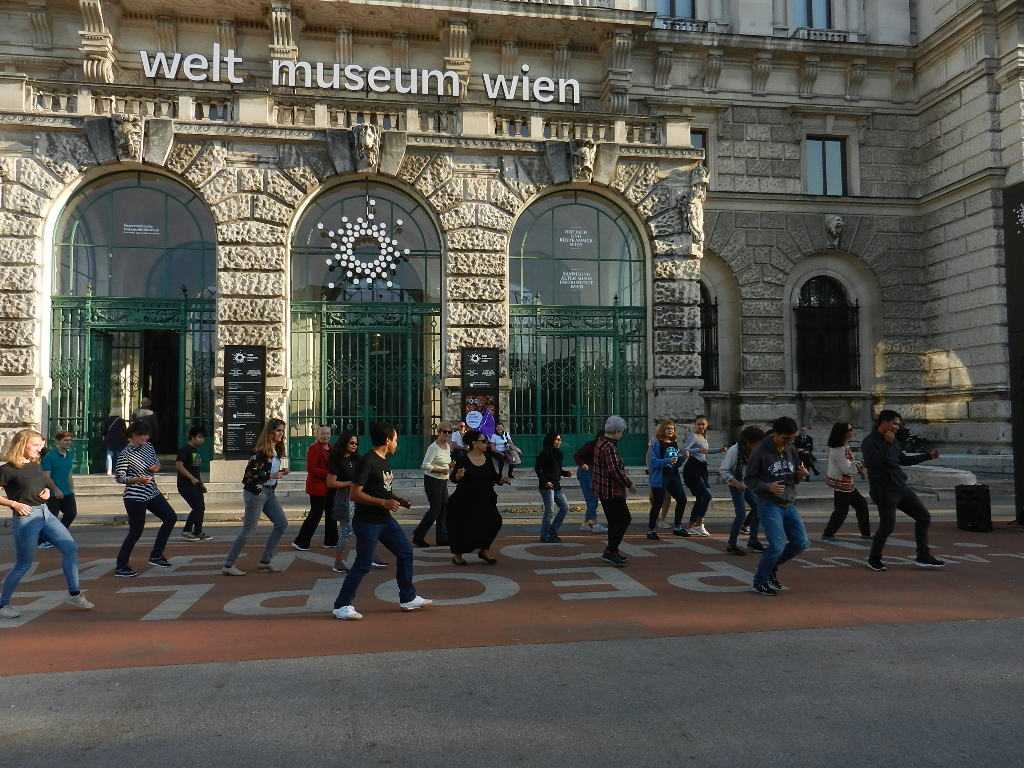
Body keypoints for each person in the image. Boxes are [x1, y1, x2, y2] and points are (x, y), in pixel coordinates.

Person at [332, 422, 433, 620]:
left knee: (405, 552)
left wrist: (398, 499)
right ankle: (341, 605)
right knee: (363, 564)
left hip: (384, 520)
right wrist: (383, 502)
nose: (397, 443)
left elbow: (381, 488)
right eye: (396, 439)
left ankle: (408, 597)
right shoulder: (367, 461)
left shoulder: (384, 461)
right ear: (388, 441)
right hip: (367, 522)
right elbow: (355, 494)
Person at [0, 430, 94, 619]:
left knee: (70, 548)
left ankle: (74, 593)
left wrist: (48, 492)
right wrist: (14, 504)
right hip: (26, 518)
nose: (40, 449)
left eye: (41, 445)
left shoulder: (35, 464)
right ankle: (3, 604)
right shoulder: (7, 469)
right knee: (24, 564)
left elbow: (41, 483)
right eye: (36, 445)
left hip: (45, 513)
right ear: (22, 444)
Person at [861, 410, 944, 571]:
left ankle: (923, 555)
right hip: (884, 490)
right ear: (884, 422)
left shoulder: (893, 441)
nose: (897, 427)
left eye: (898, 424)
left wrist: (927, 456)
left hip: (900, 487)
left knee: (923, 517)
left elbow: (903, 459)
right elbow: (875, 463)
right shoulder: (870, 442)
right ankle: (874, 559)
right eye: (895, 423)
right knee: (887, 526)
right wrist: (887, 443)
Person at [745, 416, 810, 596]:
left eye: (791, 438)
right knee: (776, 545)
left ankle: (772, 567)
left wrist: (800, 474)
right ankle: (760, 580)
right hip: (768, 503)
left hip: (788, 502)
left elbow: (794, 476)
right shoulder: (760, 452)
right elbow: (749, 480)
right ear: (775, 434)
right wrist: (768, 487)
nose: (788, 442)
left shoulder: (791, 450)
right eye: (785, 438)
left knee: (801, 542)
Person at [223, 419, 290, 576]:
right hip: (256, 493)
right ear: (270, 432)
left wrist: (280, 472)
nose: (281, 434)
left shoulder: (277, 449)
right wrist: (272, 475)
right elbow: (249, 475)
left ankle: (265, 561)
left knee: (281, 523)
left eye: (282, 431)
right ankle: (228, 564)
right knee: (249, 530)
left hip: (269, 493)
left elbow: (270, 472)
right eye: (279, 430)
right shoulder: (259, 452)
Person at [114, 423, 178, 578]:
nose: (146, 437)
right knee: (136, 531)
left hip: (151, 491)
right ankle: (121, 565)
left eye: (147, 434)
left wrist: (156, 467)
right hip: (135, 496)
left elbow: (156, 462)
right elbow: (120, 477)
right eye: (142, 434)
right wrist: (137, 479)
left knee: (170, 517)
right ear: (134, 435)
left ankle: (156, 555)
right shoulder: (125, 453)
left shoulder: (148, 446)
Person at [447, 428, 507, 565]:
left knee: (495, 521)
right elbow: (453, 478)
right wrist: (458, 476)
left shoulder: (488, 459)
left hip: (485, 498)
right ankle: (458, 555)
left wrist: (501, 480)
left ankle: (484, 550)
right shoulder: (463, 459)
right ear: (474, 443)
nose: (487, 443)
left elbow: (493, 477)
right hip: (465, 500)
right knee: (463, 526)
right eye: (484, 441)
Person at [592, 415, 634, 567]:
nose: (622, 435)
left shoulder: (600, 442)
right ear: (616, 431)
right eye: (621, 432)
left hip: (603, 489)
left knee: (614, 521)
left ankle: (612, 551)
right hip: (612, 491)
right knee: (624, 520)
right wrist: (629, 484)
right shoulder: (609, 447)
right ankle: (610, 550)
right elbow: (614, 470)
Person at [822, 422, 871, 540]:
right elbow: (846, 469)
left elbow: (849, 464)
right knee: (841, 511)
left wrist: (857, 465)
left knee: (860, 506)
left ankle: (866, 534)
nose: (851, 432)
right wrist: (860, 465)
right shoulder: (839, 450)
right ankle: (828, 534)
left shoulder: (844, 446)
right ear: (842, 433)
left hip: (847, 484)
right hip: (842, 485)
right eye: (849, 430)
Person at [721, 425, 765, 556]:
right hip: (735, 483)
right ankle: (732, 544)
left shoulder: (755, 451)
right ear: (749, 442)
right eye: (757, 443)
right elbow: (723, 470)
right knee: (740, 514)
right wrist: (736, 483)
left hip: (748, 483)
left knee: (757, 507)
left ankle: (753, 540)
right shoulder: (734, 450)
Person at [292, 425, 338, 551]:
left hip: (331, 486)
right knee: (316, 514)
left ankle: (331, 541)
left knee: (331, 514)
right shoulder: (314, 448)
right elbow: (311, 468)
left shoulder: (332, 448)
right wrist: (328, 474)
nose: (325, 436)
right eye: (322, 433)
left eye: (328, 433)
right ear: (317, 435)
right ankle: (301, 541)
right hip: (318, 487)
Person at [646, 420, 689, 541]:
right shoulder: (656, 443)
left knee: (682, 499)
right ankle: (651, 530)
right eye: (668, 428)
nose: (670, 430)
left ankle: (677, 527)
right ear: (662, 430)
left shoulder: (674, 443)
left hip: (673, 476)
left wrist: (684, 458)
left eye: (672, 428)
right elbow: (653, 462)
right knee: (657, 503)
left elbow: (676, 463)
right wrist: (667, 461)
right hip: (660, 477)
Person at [413, 423, 453, 548]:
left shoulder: (447, 446)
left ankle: (442, 538)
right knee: (435, 510)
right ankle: (418, 536)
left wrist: (451, 466)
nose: (447, 434)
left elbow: (446, 462)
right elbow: (425, 465)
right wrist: (441, 470)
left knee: (444, 508)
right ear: (439, 432)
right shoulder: (433, 447)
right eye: (444, 431)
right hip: (432, 481)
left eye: (449, 432)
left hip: (443, 481)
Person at [327, 431, 359, 574]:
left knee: (363, 529)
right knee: (346, 531)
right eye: (352, 443)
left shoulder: (356, 459)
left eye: (356, 443)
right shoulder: (337, 460)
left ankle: (367, 557)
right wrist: (349, 483)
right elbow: (331, 483)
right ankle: (338, 562)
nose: (355, 446)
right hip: (344, 498)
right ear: (344, 442)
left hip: (358, 497)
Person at [682, 415, 718, 536]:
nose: (701, 426)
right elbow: (684, 449)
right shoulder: (693, 436)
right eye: (699, 424)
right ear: (695, 425)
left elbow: (705, 451)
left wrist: (720, 450)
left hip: (702, 469)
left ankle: (694, 525)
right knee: (706, 496)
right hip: (692, 469)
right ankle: (697, 524)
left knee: (702, 497)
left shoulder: (704, 437)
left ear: (707, 425)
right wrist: (697, 451)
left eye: (703, 424)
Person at [41, 430, 77, 546]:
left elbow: (69, 473)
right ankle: (42, 540)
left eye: (70, 440)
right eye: (65, 440)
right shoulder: (49, 457)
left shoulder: (69, 455)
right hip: (53, 493)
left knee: (71, 513)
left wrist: (72, 489)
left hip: (67, 492)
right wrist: (55, 489)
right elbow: (46, 476)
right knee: (51, 519)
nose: (68, 443)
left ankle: (57, 536)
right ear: (57, 441)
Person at [535, 431, 572, 543]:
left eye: (560, 440)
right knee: (550, 511)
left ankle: (552, 531)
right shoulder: (544, 453)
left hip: (556, 485)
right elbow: (538, 469)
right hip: (546, 486)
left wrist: (565, 473)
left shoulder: (558, 453)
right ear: (551, 440)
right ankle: (545, 535)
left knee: (565, 507)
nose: (559, 442)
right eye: (557, 439)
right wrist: (546, 481)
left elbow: (557, 469)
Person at [177, 426, 212, 542]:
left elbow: (196, 470)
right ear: (192, 437)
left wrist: (201, 484)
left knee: (200, 507)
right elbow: (179, 466)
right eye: (199, 437)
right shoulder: (184, 450)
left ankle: (198, 531)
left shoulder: (196, 452)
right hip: (185, 485)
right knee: (197, 507)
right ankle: (187, 531)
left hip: (196, 485)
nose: (202, 440)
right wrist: (191, 478)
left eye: (203, 438)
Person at [574, 431, 607, 533]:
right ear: (599, 438)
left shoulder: (604, 448)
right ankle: (593, 523)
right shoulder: (590, 445)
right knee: (592, 499)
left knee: (592, 499)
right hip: (586, 473)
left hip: (594, 474)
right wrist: (582, 464)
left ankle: (586, 523)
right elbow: (577, 455)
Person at [103, 411, 127, 476]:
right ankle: (119, 470)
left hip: (110, 440)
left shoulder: (108, 420)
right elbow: (125, 431)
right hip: (120, 439)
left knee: (109, 455)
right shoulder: (121, 420)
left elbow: (104, 431)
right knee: (119, 455)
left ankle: (109, 470)